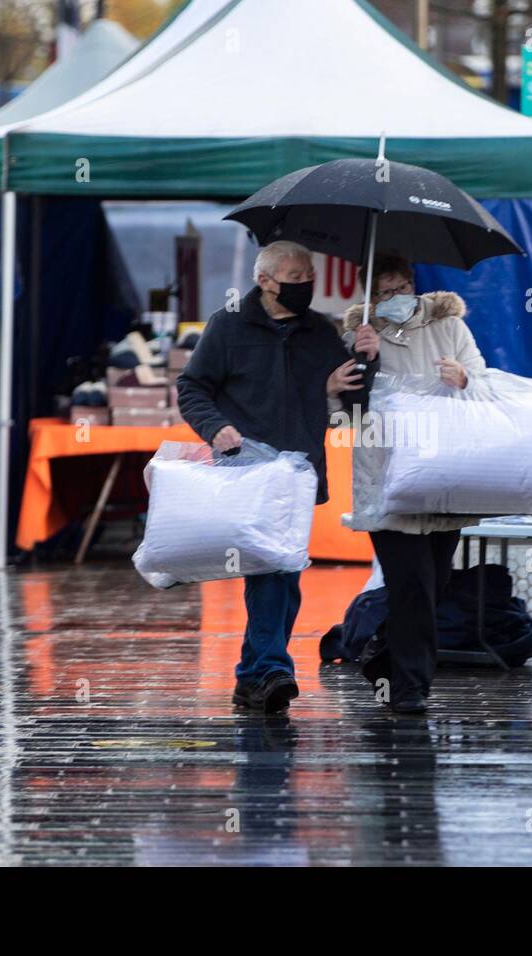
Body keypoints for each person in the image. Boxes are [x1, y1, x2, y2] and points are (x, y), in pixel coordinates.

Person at [178, 240, 378, 713]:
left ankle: (257, 674)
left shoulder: (321, 332)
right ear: (264, 281)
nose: (304, 285)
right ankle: (268, 669)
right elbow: (192, 387)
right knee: (272, 571)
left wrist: (367, 360)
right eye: (294, 277)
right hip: (246, 468)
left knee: (282, 573)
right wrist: (215, 427)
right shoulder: (229, 326)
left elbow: (354, 405)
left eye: (309, 275)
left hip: (299, 469)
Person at [343, 253, 486, 714]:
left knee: (435, 583)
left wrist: (464, 379)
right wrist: (362, 363)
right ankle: (410, 688)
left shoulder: (451, 328)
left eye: (402, 287)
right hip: (386, 479)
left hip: (444, 475)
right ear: (369, 298)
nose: (396, 298)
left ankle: (384, 650)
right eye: (384, 292)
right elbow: (344, 414)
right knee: (411, 585)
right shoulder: (358, 337)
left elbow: (487, 386)